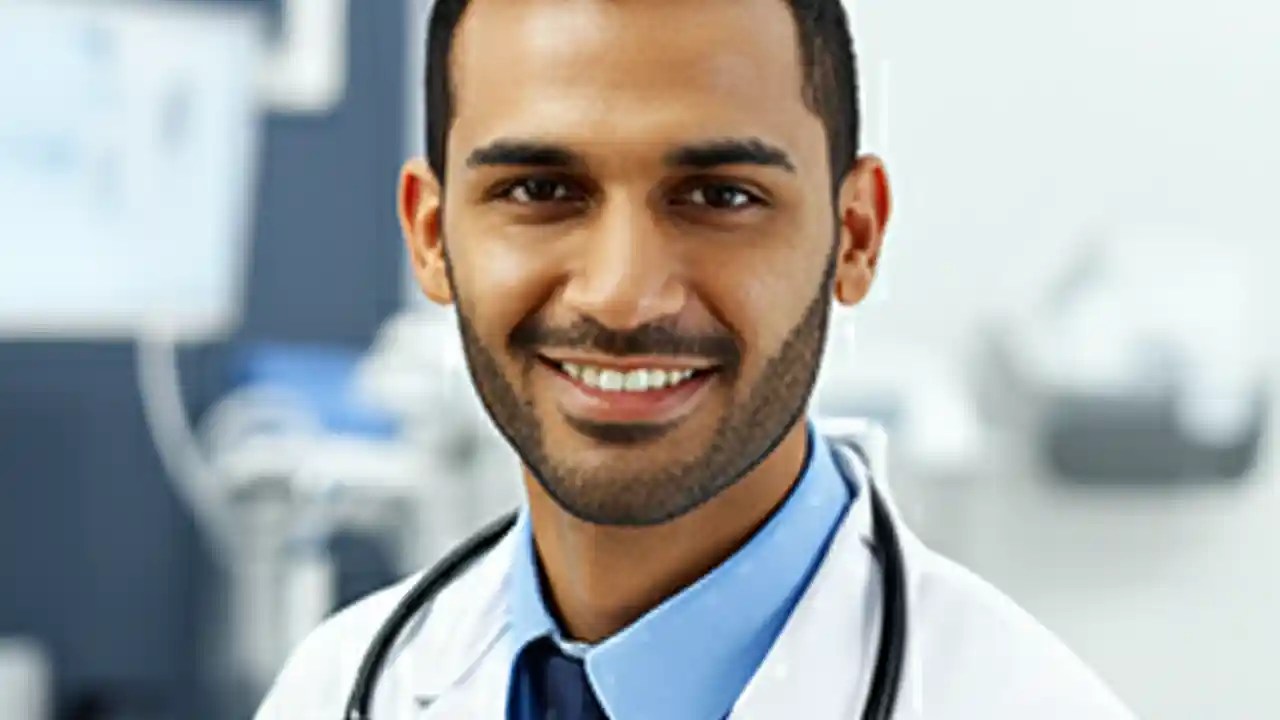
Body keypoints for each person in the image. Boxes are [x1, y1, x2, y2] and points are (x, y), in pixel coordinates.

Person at [256, 0, 1134, 717]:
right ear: (429, 235)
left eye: (720, 196)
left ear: (856, 235)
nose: (622, 295)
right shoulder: (335, 691)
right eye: (540, 190)